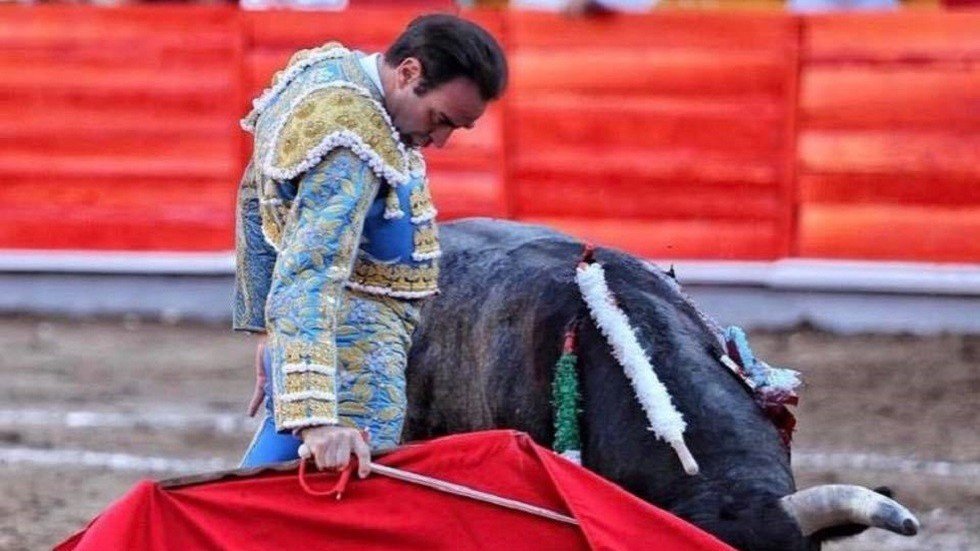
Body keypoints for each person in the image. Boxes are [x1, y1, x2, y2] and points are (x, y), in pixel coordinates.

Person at [233, 14, 508, 475]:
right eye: (440, 119)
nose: (439, 141)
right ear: (408, 73)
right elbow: (310, 270)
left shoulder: (326, 71)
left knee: (271, 492)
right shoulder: (353, 140)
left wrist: (270, 331)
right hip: (351, 367)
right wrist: (316, 419)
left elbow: (252, 200)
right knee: (337, 503)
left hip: (328, 348)